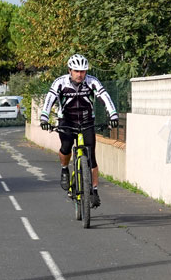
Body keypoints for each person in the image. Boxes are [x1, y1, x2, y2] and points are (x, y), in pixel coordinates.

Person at [39, 54, 119, 207]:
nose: (80, 74)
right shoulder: (60, 83)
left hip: (87, 121)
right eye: (76, 71)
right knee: (66, 147)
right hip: (66, 121)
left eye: (83, 71)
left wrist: (113, 114)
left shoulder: (92, 81)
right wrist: (44, 117)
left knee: (91, 158)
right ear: (70, 70)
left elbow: (104, 96)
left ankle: (94, 190)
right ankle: (64, 169)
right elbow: (49, 99)